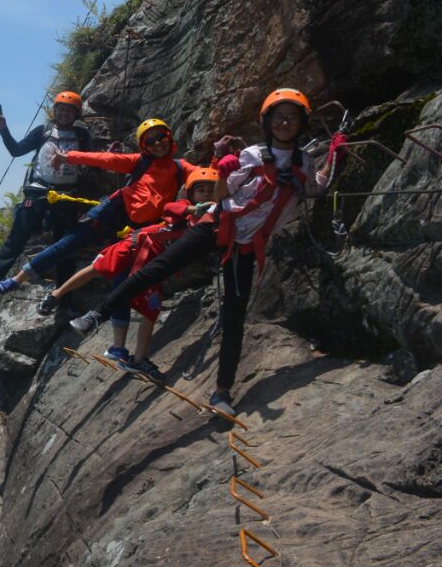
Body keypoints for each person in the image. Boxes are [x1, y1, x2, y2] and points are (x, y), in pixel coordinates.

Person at [72, 88, 346, 415]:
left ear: (301, 123)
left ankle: (222, 393)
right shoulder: (253, 155)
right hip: (216, 224)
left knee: (234, 316)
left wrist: (335, 154)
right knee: (157, 269)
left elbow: (315, 187)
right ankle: (97, 315)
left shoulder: (304, 162)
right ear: (267, 121)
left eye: (291, 117)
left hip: (246, 245)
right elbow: (220, 194)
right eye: (278, 117)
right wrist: (226, 172)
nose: (284, 123)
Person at [0, 118, 192, 312]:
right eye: (150, 141)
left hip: (135, 228)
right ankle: (16, 280)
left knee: (121, 274)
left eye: (160, 137)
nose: (157, 143)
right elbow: (104, 159)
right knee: (67, 244)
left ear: (169, 137)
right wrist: (68, 156)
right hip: (110, 212)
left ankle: (104, 324)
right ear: (144, 146)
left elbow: (202, 175)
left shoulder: (180, 168)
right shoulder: (139, 162)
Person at [49, 167, 220, 382]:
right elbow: (170, 208)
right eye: (201, 190)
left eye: (211, 191)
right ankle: (57, 295)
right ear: (191, 193)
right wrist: (193, 209)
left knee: (151, 308)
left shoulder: (212, 219)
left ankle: (138, 359)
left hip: (154, 263)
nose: (206, 195)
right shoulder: (186, 207)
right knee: (99, 268)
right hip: (136, 244)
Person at [0, 92, 93, 295]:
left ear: (76, 114)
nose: (64, 114)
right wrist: (3, 129)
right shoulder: (43, 131)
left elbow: (91, 162)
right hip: (38, 193)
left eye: (69, 111)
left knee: (64, 247)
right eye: (60, 109)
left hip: (66, 197)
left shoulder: (82, 135)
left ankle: (63, 297)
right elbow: (16, 150)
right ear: (54, 111)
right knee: (16, 239)